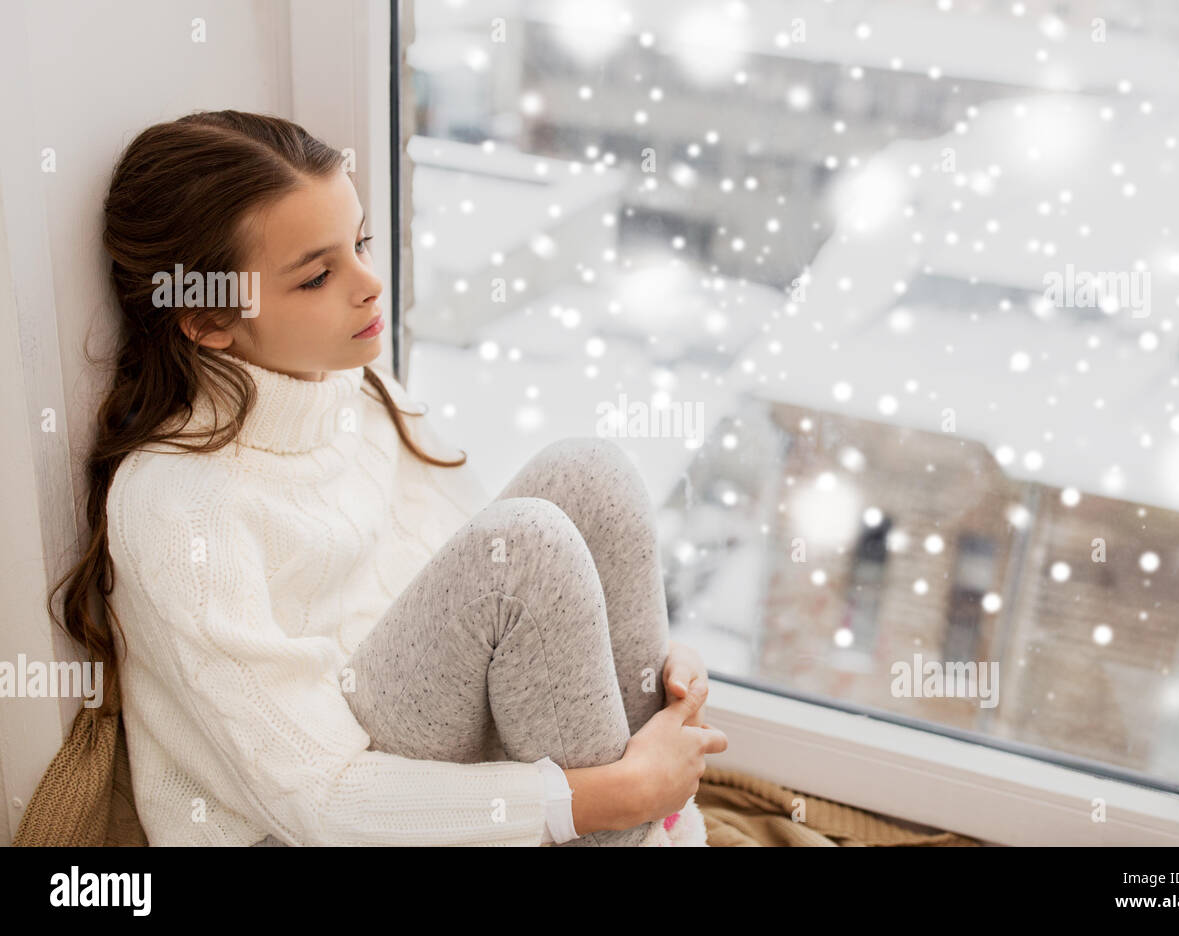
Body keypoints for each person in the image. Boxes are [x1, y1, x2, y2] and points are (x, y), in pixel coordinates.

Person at [49, 110, 726, 846]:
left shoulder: (353, 383)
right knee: (523, 545)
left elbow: (469, 584)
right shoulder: (178, 511)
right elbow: (320, 801)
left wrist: (645, 671)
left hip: (415, 749)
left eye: (361, 243)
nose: (370, 285)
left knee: (589, 474)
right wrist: (606, 794)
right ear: (207, 320)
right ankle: (638, 824)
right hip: (326, 821)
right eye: (317, 275)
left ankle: (656, 826)